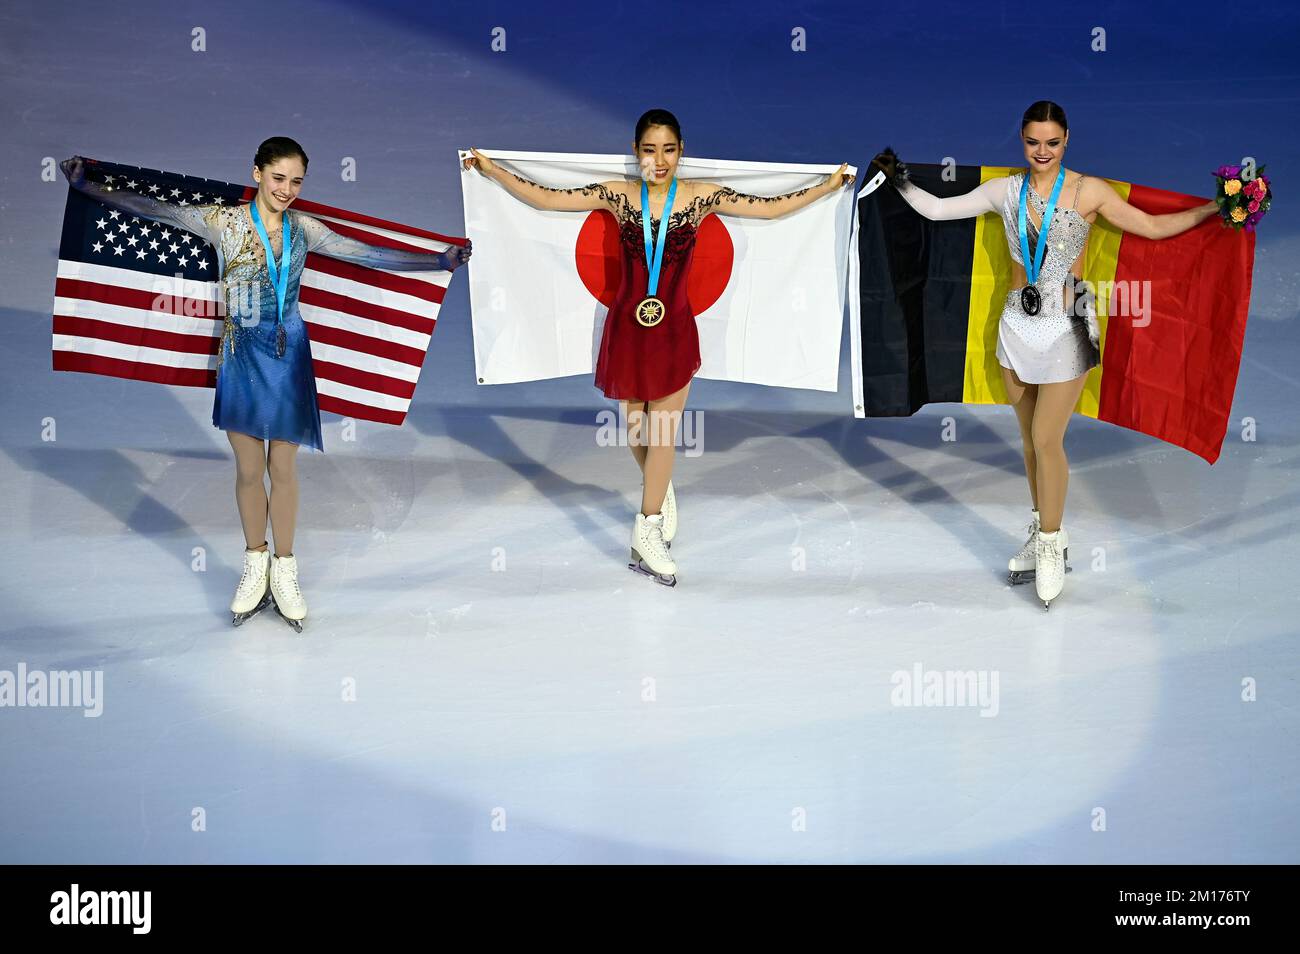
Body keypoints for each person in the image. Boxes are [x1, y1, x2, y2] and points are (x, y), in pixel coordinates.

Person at [60, 139, 471, 630]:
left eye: (297, 181)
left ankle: (286, 568)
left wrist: (437, 263)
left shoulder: (305, 229)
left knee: (284, 466)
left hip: (288, 354)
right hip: (240, 354)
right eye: (278, 178)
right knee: (250, 468)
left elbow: (366, 255)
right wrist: (91, 186)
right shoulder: (222, 222)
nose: (287, 190)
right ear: (256, 174)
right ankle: (256, 563)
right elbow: (155, 209)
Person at [463, 108, 853, 585]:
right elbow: (545, 199)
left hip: (673, 332)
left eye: (669, 149)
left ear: (681, 151)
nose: (660, 160)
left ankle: (646, 529)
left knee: (664, 429)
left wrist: (828, 187)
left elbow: (769, 207)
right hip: (628, 330)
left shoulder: (700, 197)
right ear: (636, 152)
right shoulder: (617, 194)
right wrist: (490, 169)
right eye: (650, 149)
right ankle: (659, 488)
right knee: (636, 432)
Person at [871, 100, 1218, 609]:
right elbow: (939, 209)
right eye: (1033, 142)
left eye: (1052, 143)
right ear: (1022, 140)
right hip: (1016, 324)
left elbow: (1152, 228)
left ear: (1067, 141)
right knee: (1029, 444)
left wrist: (1215, 208)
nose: (1042, 152)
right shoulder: (1004, 191)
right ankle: (1042, 528)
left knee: (1046, 437)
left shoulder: (1088, 191)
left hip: (1068, 325)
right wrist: (899, 177)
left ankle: (1053, 545)